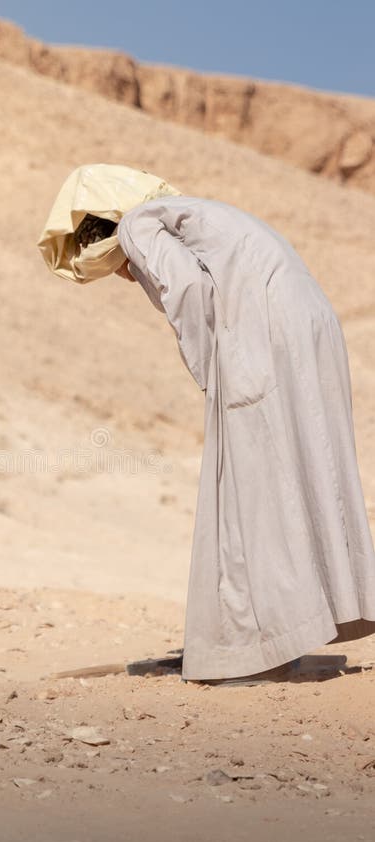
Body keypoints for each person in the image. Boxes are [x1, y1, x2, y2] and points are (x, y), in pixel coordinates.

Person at [38, 163, 375, 683]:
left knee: (249, 492)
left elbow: (189, 293)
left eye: (121, 268)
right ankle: (287, 633)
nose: (127, 275)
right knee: (297, 473)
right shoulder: (188, 215)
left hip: (264, 335)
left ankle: (257, 647)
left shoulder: (138, 225)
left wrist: (211, 375)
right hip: (304, 328)